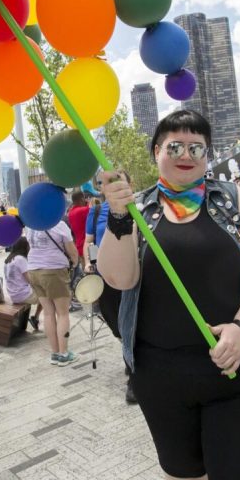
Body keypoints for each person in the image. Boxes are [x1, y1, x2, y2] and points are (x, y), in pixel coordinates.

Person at [99, 110, 240, 480]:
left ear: (208, 154)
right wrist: (118, 218)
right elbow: (119, 278)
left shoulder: (233, 198)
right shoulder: (135, 208)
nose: (186, 154)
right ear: (156, 152)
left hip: (235, 372)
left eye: (196, 147)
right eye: (174, 146)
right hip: (160, 377)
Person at [84, 170, 138, 403]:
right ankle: (128, 352)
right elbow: (88, 242)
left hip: (134, 277)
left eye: (119, 181)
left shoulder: (141, 207)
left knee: (132, 324)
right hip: (104, 277)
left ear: (129, 183)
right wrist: (87, 262)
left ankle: (134, 377)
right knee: (116, 325)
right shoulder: (95, 212)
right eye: (108, 183)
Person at [27, 219, 80, 366]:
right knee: (62, 313)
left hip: (33, 270)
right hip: (54, 269)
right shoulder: (59, 224)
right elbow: (71, 250)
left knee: (48, 313)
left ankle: (55, 353)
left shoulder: (31, 224)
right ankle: (64, 354)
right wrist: (75, 263)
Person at [3, 237, 41, 327]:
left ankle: (35, 318)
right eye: (28, 245)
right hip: (23, 295)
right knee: (47, 295)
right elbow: (30, 280)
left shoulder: (8, 259)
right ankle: (36, 318)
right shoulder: (20, 259)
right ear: (24, 247)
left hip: (13, 295)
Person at [67, 189, 90, 272]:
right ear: (82, 199)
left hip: (79, 246)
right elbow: (93, 208)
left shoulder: (71, 212)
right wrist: (89, 202)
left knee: (86, 272)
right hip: (88, 247)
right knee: (92, 271)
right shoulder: (81, 211)